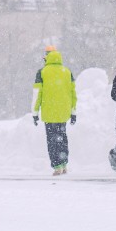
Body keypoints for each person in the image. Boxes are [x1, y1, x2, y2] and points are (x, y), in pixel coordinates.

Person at [32, 47, 76, 176]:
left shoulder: (41, 72)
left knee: (52, 141)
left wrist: (35, 113)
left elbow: (37, 94)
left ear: (46, 58)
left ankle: (57, 166)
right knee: (62, 138)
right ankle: (64, 164)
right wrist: (73, 112)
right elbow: (73, 94)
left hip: (49, 113)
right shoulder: (67, 72)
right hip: (63, 113)